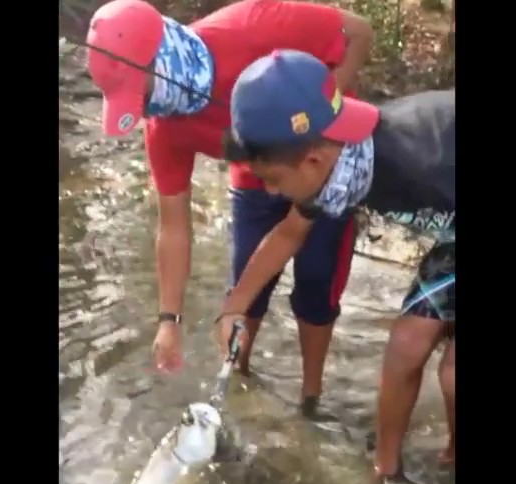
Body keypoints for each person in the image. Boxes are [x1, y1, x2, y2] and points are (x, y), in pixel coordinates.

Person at [84, 0, 374, 416]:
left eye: (142, 95)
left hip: (321, 167)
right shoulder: (163, 126)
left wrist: (320, 124)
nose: (146, 110)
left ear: (163, 63)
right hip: (253, 179)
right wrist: (170, 320)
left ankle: (311, 400)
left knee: (316, 284)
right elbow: (173, 227)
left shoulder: (253, 24)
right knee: (244, 291)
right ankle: (236, 390)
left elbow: (359, 31)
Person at [213, 49, 455, 482]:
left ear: (313, 161)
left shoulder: (420, 160)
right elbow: (288, 234)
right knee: (405, 346)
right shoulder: (340, 159)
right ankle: (387, 472)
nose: (268, 192)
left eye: (272, 179)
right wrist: (234, 307)